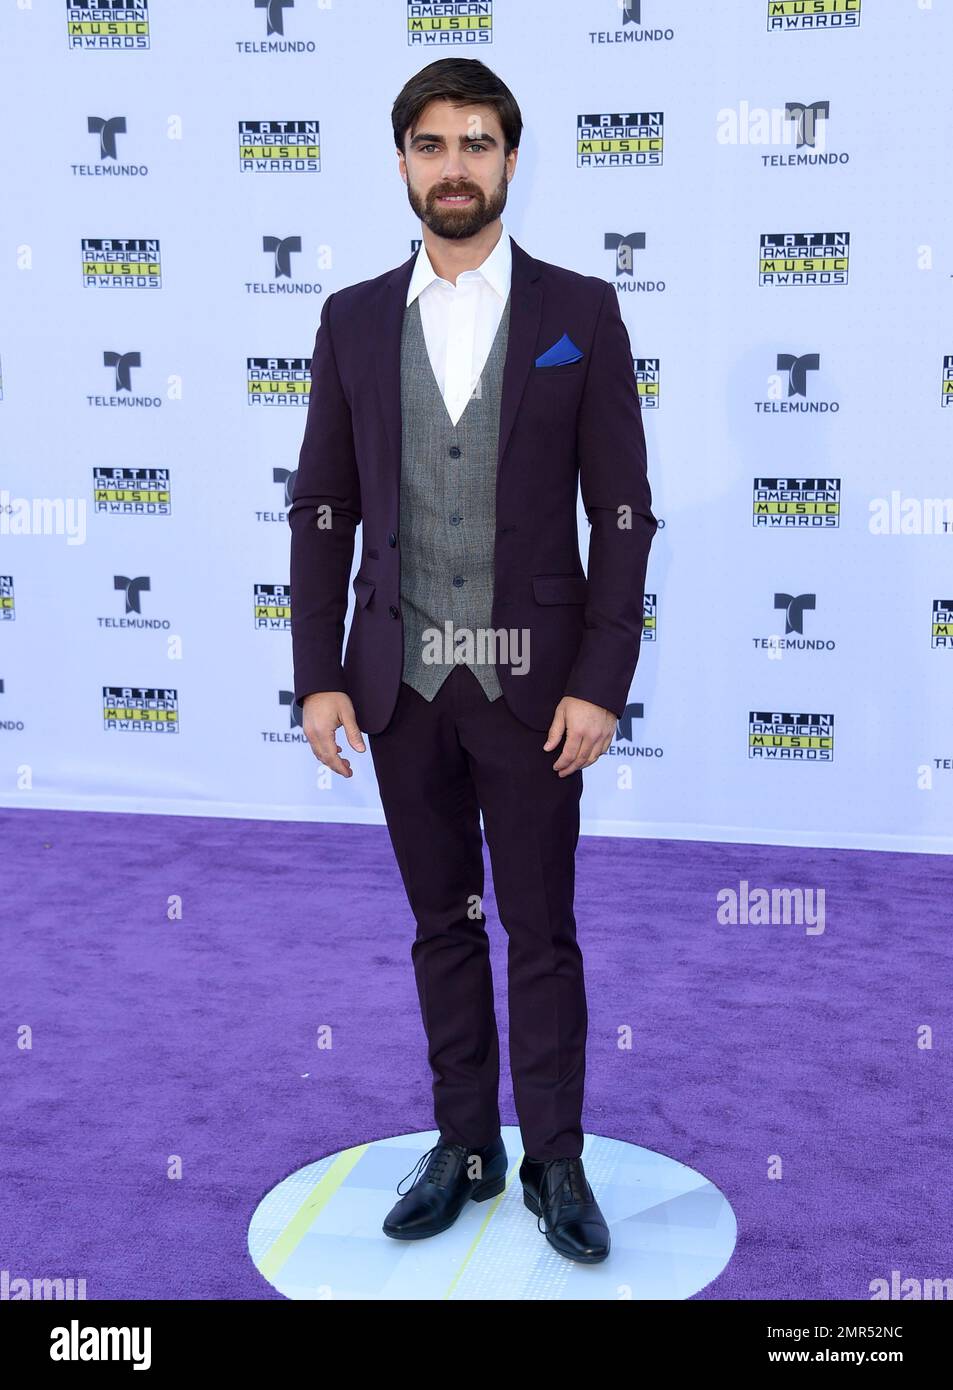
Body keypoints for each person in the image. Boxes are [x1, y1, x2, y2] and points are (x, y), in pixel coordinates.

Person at [288, 57, 657, 1265]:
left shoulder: (579, 313)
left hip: (534, 688)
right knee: (442, 922)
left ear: (509, 161)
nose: (455, 166)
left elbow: (620, 513)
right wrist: (319, 670)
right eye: (432, 144)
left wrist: (601, 679)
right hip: (397, 685)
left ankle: (553, 1155)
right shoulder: (348, 318)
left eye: (478, 143)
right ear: (402, 163)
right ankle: (464, 1142)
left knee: (539, 928)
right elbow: (323, 508)